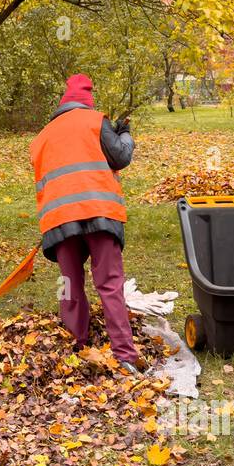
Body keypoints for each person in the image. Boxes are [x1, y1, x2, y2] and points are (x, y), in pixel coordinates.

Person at [29, 73, 140, 370]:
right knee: (109, 283)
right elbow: (119, 157)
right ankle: (124, 355)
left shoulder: (41, 137)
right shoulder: (95, 121)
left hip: (60, 220)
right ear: (88, 102)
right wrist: (125, 134)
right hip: (99, 212)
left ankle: (76, 347)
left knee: (69, 285)